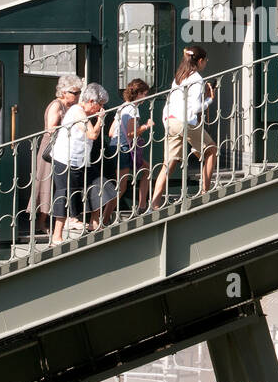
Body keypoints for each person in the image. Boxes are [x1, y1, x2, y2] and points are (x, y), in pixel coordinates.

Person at [151, 46, 218, 208]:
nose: (206, 63)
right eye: (205, 60)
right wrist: (209, 100)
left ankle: (154, 203)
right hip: (183, 121)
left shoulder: (179, 76)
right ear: (200, 61)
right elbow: (194, 108)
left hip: (169, 119)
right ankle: (204, 192)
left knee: (169, 163)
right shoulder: (197, 79)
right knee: (211, 150)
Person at [50, 82, 114, 242]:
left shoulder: (83, 113)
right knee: (64, 194)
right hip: (65, 160)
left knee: (99, 185)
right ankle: (56, 235)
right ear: (92, 101)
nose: (100, 109)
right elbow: (92, 134)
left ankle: (94, 222)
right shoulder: (77, 111)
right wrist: (100, 120)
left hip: (81, 161)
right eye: (100, 105)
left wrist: (98, 120)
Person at [28, 74, 82, 235]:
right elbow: (50, 128)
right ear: (64, 92)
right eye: (75, 92)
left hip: (63, 150)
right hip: (51, 150)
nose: (77, 95)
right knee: (46, 184)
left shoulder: (71, 107)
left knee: (60, 185)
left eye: (79, 92)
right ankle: (40, 223)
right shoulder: (56, 105)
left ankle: (62, 219)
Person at [109, 78, 154, 215]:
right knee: (121, 187)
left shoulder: (121, 107)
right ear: (138, 93)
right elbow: (131, 133)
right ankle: (102, 218)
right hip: (123, 148)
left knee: (146, 170)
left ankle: (142, 205)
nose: (146, 97)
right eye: (145, 94)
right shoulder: (133, 110)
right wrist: (146, 126)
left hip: (114, 146)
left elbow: (111, 133)